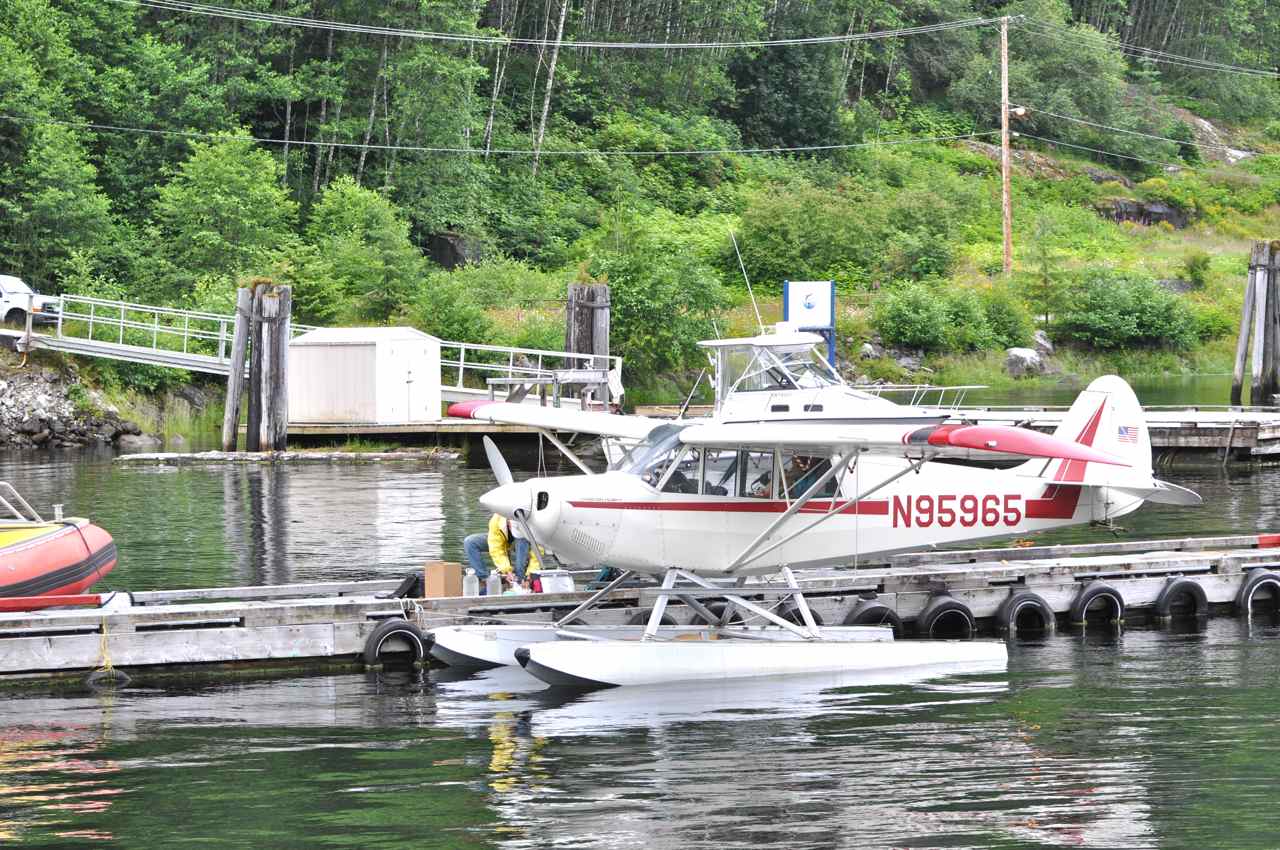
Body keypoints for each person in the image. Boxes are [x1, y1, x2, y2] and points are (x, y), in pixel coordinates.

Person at [463, 514, 542, 593]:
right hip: (504, 542)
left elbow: (538, 553)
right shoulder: (496, 519)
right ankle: (485, 579)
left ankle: (520, 580)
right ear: (508, 522)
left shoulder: (534, 521)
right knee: (470, 542)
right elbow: (496, 549)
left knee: (521, 542)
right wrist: (507, 571)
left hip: (524, 542)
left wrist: (530, 576)